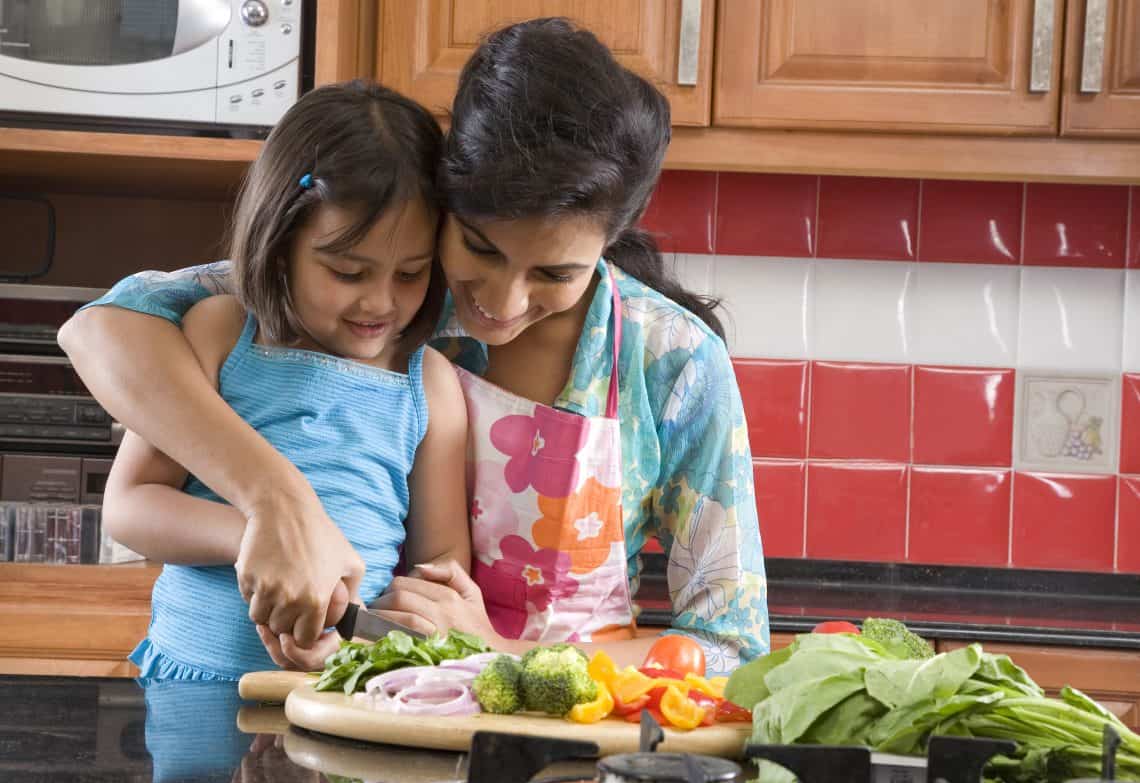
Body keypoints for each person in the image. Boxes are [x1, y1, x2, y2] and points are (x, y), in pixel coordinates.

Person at [59, 18, 769, 674]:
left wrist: (500, 655)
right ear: (444, 200)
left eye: (555, 272)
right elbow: (102, 326)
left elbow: (733, 646)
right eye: (479, 248)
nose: (502, 300)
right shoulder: (387, 296)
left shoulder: (670, 362)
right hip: (364, 698)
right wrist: (276, 503)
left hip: (563, 737)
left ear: (609, 241)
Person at [97, 80, 470, 680]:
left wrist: (366, 649)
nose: (380, 301)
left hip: (347, 692)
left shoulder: (428, 384)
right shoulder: (218, 331)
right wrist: (261, 534)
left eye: (411, 273)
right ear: (279, 244)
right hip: (191, 674)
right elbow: (130, 505)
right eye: (348, 271)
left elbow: (439, 572)